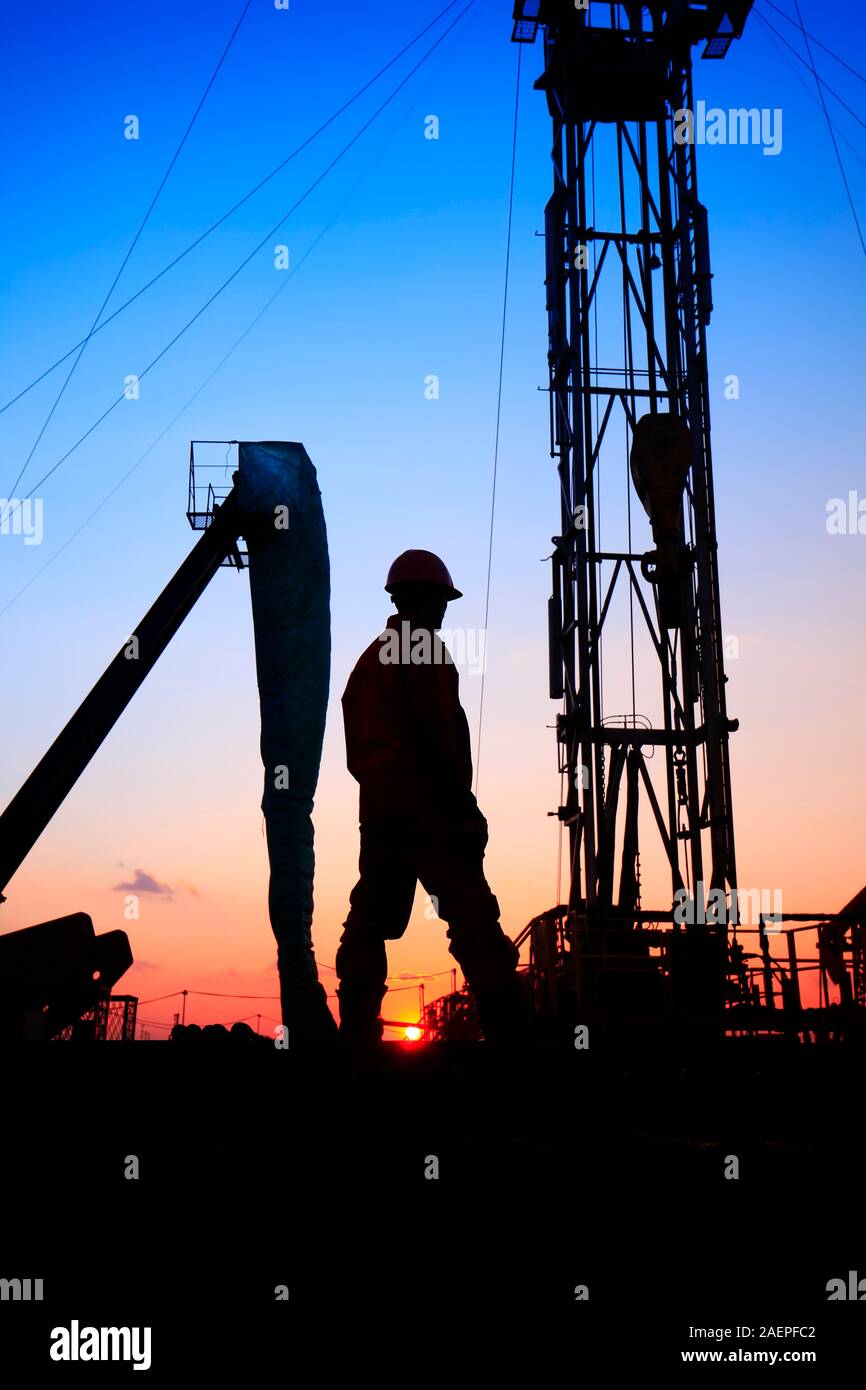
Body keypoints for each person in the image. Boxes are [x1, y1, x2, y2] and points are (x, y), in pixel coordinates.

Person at [336, 549, 526, 1050]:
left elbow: (359, 747)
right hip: (431, 813)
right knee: (472, 917)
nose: (444, 611)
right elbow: (439, 733)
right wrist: (462, 808)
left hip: (382, 815)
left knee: (370, 920)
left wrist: (385, 794)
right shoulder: (421, 649)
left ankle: (354, 1035)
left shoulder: (371, 659)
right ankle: (510, 1035)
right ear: (423, 599)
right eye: (441, 600)